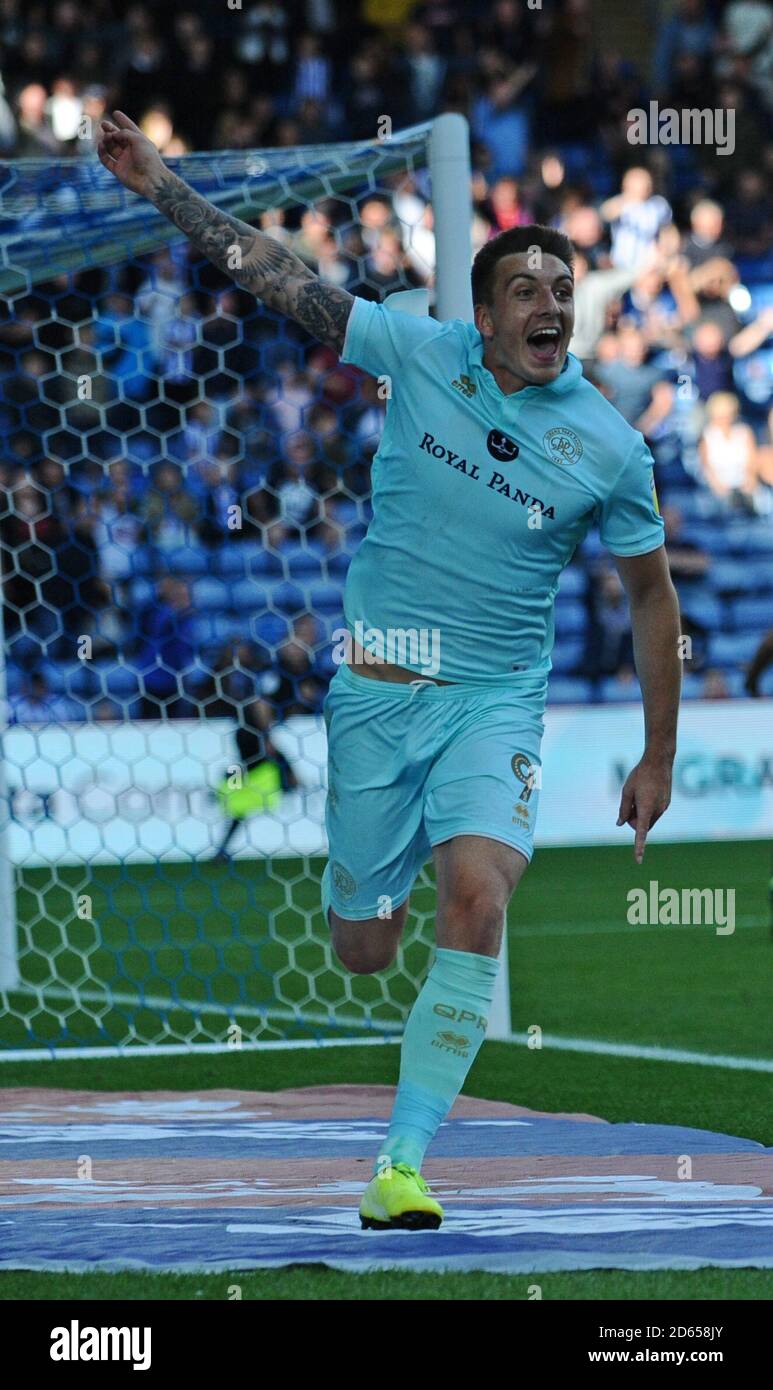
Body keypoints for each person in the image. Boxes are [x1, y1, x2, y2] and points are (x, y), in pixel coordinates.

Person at [98, 111, 681, 1233]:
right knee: (365, 952)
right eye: (523, 286)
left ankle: (399, 1165)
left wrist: (656, 755)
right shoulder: (416, 352)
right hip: (377, 688)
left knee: (476, 897)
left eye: (561, 285)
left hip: (492, 699)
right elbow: (279, 278)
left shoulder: (609, 445)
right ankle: (383, 867)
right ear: (479, 314)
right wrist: (161, 185)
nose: (548, 302)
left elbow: (650, 596)